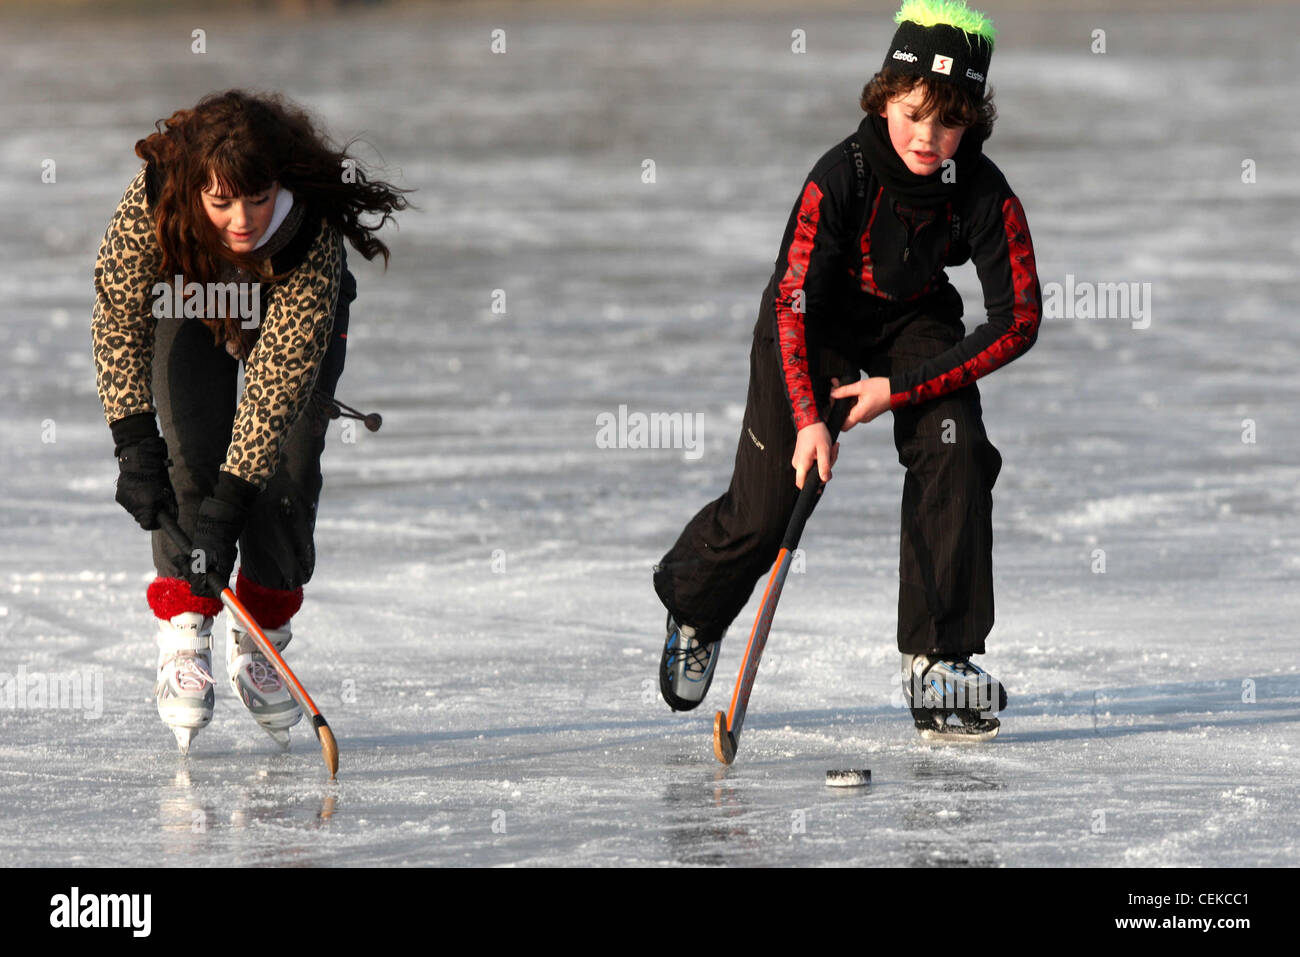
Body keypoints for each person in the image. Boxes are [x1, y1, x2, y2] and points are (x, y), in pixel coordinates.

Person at [654, 0, 1041, 740]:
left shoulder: (982, 189)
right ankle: (695, 607)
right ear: (886, 95)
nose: (928, 137)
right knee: (771, 503)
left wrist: (902, 388)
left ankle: (939, 657)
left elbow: (1019, 316)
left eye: (949, 121)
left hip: (914, 320)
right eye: (913, 112)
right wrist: (808, 416)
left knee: (955, 445)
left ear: (973, 123)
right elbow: (793, 300)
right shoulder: (839, 177)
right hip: (813, 321)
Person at [92, 90, 409, 753]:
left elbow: (273, 393)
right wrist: (131, 441)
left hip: (286, 310)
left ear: (279, 185)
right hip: (190, 293)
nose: (242, 219)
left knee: (286, 474)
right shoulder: (158, 198)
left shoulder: (308, 239)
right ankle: (185, 629)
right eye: (222, 202)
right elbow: (120, 315)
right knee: (189, 456)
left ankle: (262, 634)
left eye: (257, 198)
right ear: (195, 192)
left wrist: (233, 503)